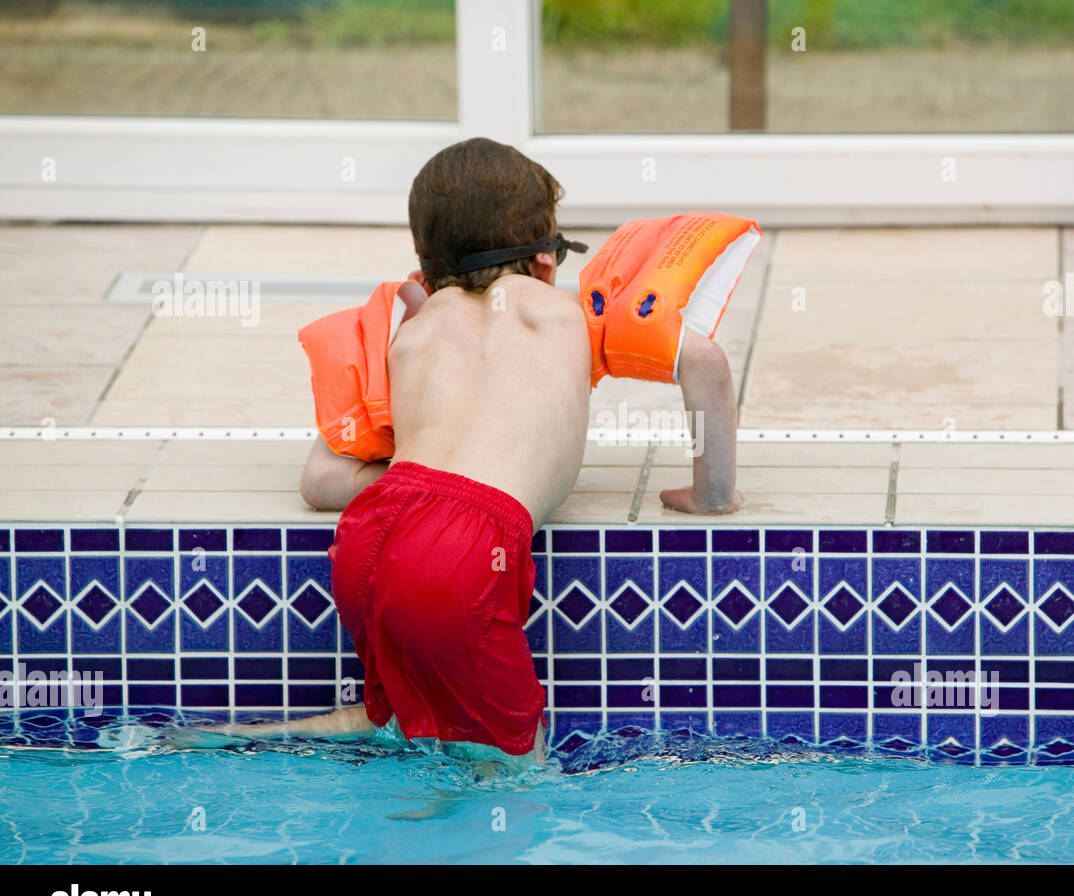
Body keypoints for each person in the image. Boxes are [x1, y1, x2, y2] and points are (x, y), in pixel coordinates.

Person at [207, 138, 744, 767]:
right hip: (464, 554)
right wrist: (711, 495)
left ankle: (227, 740)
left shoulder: (415, 329)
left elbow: (322, 481)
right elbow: (704, 360)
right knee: (520, 765)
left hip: (369, 539)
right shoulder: (569, 316)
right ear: (547, 260)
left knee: (395, 717)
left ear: (426, 268)